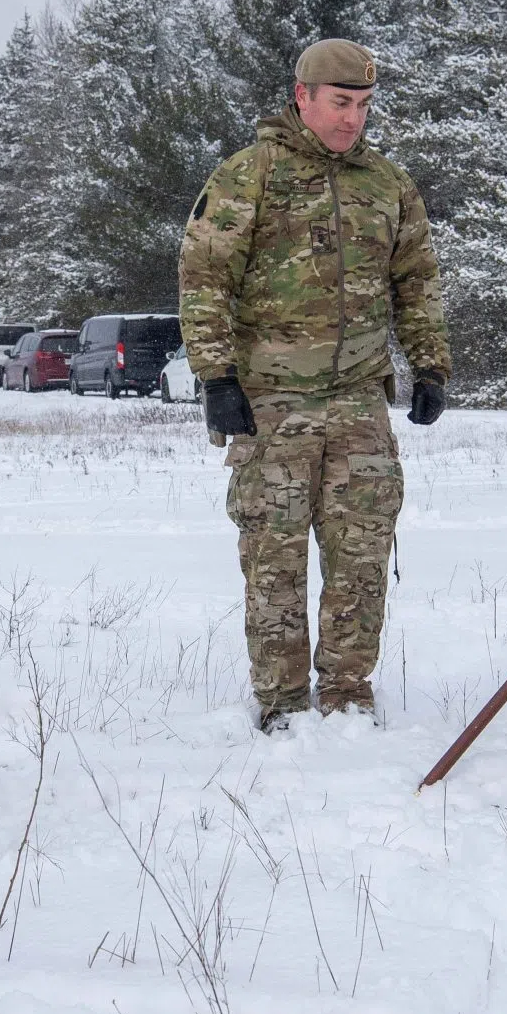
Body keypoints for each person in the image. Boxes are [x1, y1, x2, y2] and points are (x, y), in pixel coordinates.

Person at [180, 38, 451, 732]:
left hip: (359, 403)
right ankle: (281, 703)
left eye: (362, 106)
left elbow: (415, 279)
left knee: (360, 557)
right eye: (339, 103)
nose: (351, 119)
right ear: (302, 96)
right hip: (270, 402)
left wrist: (431, 365)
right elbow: (205, 276)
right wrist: (216, 376)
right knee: (274, 562)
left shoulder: (387, 184)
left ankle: (347, 695)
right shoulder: (252, 176)